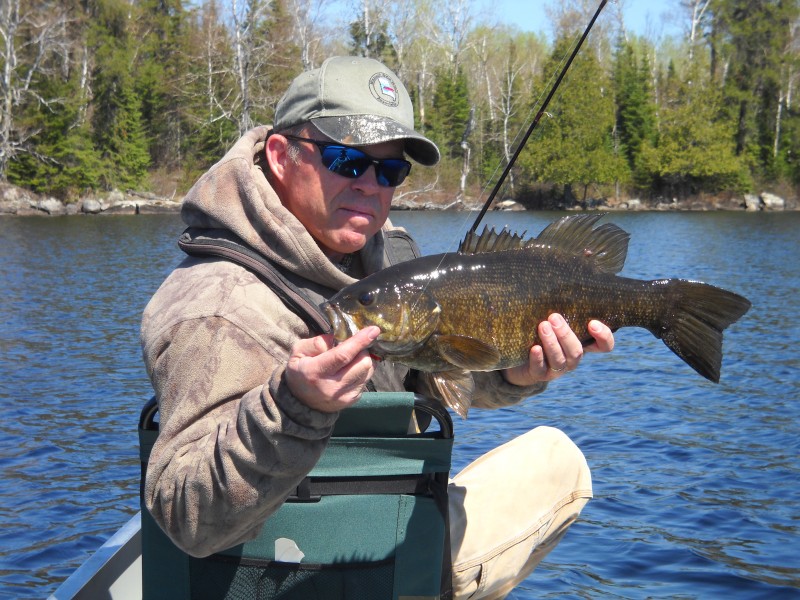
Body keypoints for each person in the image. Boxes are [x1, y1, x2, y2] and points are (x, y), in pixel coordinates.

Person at [141, 55, 615, 599]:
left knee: (555, 455)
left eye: (390, 171)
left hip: (389, 544)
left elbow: (438, 378)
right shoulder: (220, 306)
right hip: (295, 579)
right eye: (347, 160)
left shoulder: (385, 257)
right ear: (280, 155)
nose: (371, 185)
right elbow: (187, 518)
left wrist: (519, 374)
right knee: (560, 468)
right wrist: (294, 406)